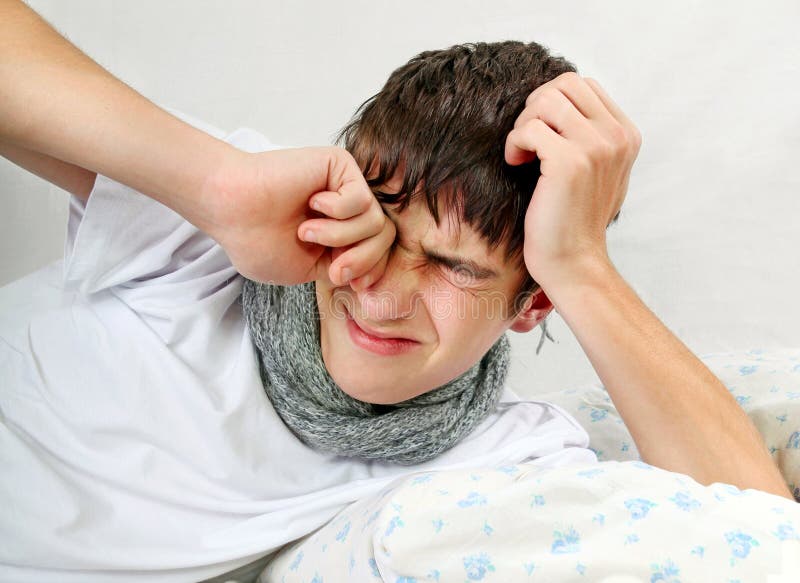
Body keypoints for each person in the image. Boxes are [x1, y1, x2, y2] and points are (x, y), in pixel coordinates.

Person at [0, 0, 793, 581]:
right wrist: (218, 184)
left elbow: (760, 537)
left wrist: (582, 262)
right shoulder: (230, 216)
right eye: (379, 229)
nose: (379, 294)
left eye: (454, 268)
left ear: (535, 301)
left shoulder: (499, 455)